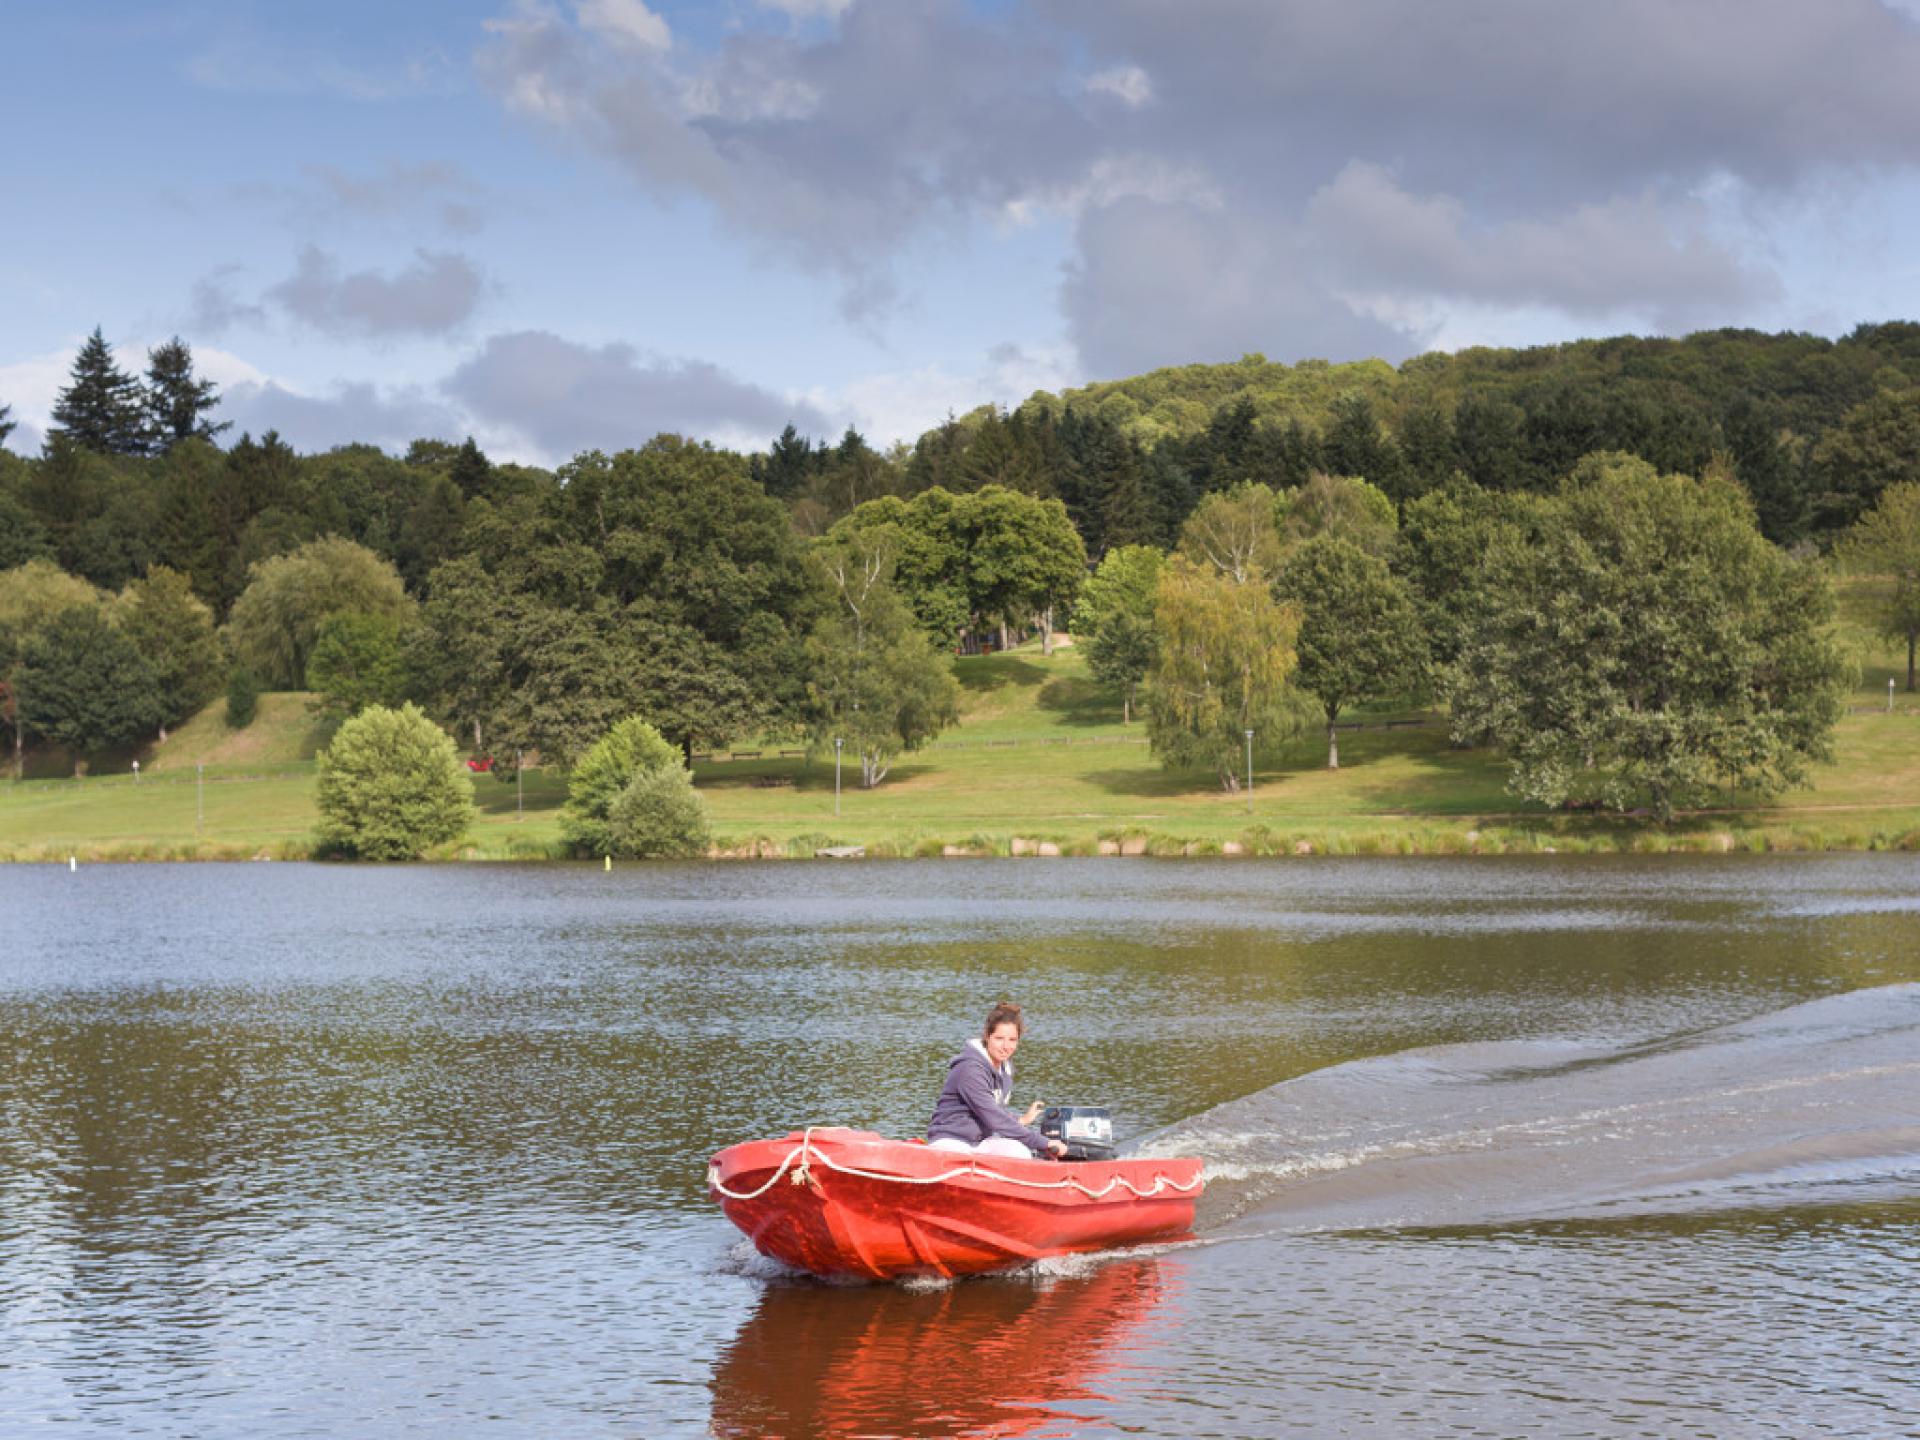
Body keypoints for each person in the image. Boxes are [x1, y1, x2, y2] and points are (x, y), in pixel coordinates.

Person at [927, 1002, 1067, 1159]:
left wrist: (1021, 1120)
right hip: (951, 1140)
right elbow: (993, 1116)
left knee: (1020, 1153)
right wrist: (1043, 1142)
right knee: (962, 1159)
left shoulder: (1005, 1069)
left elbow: (995, 1110)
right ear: (987, 1036)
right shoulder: (970, 1070)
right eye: (999, 1038)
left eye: (1012, 1040)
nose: (1006, 1046)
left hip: (981, 1141)